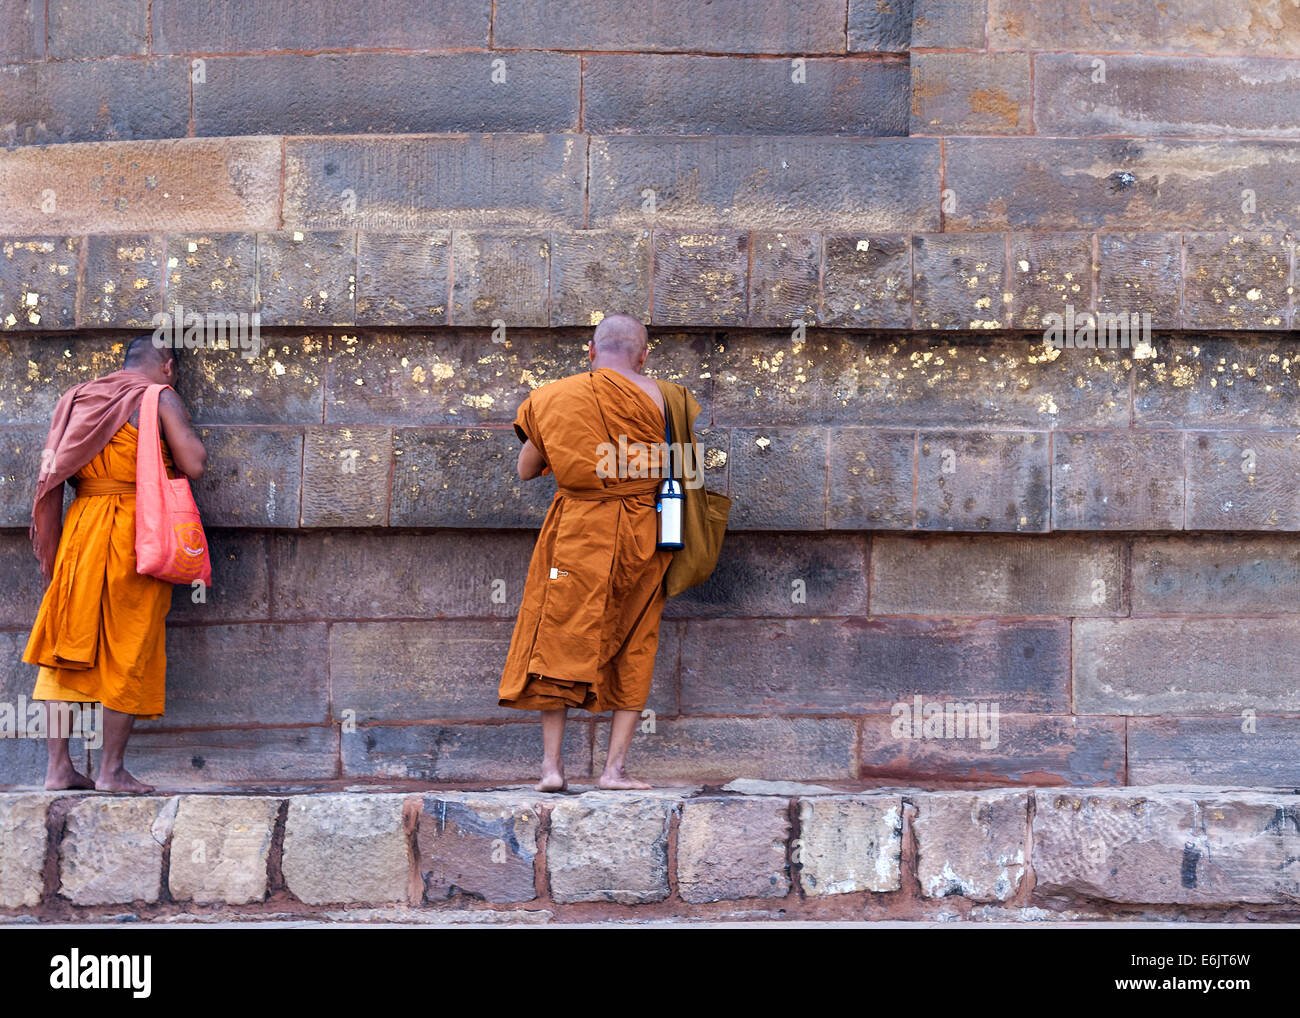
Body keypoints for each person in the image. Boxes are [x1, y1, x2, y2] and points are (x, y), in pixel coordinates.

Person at [499, 313, 689, 792]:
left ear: (591, 350)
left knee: (559, 635)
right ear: (644, 355)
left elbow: (526, 472)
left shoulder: (550, 399)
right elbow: (685, 468)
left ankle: (551, 769)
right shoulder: (670, 398)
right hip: (646, 535)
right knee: (635, 639)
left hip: (577, 532)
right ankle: (613, 771)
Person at [24, 336, 207, 793]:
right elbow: (194, 463)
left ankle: (58, 768)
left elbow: (56, 466)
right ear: (167, 367)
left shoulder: (78, 398)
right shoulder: (157, 396)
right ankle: (111, 771)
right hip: (137, 531)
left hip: (81, 529)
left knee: (64, 645)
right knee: (127, 644)